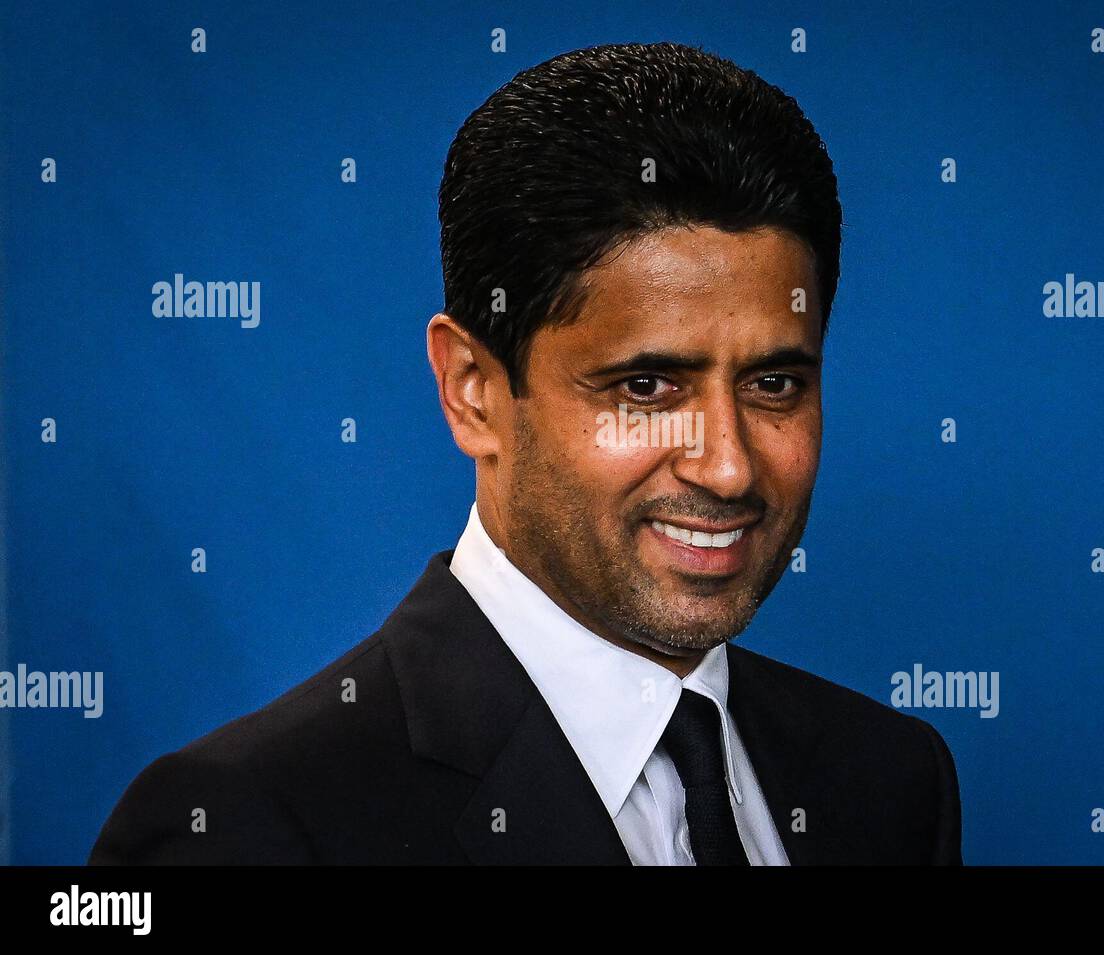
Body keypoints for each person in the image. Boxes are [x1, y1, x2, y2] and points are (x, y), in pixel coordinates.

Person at [89, 41, 962, 865]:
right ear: (472, 389)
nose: (727, 465)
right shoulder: (250, 828)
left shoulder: (888, 778)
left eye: (774, 384)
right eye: (646, 388)